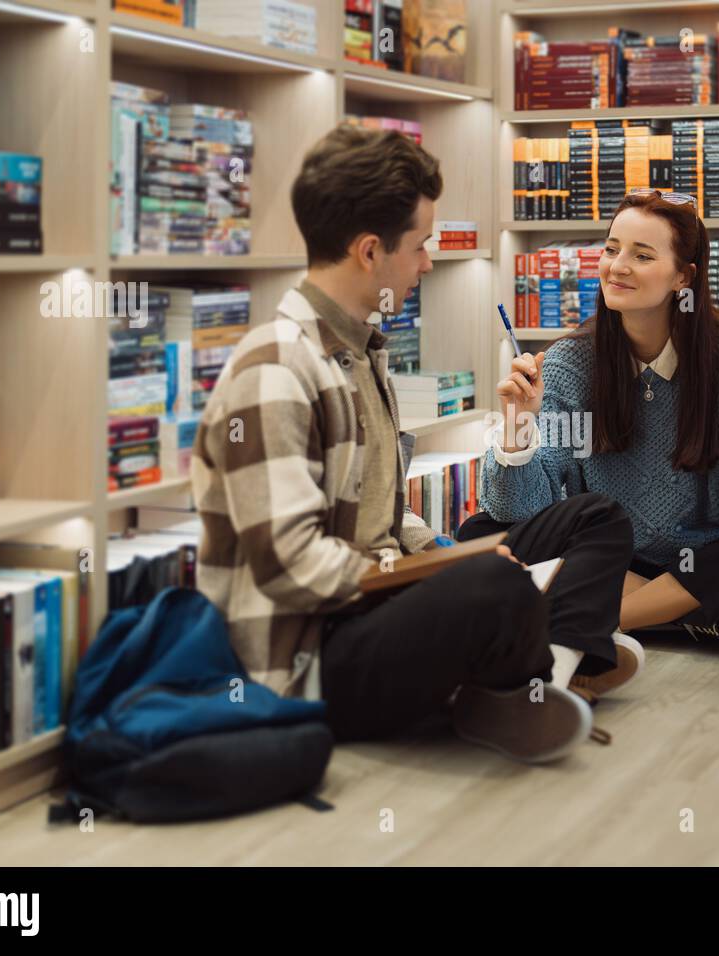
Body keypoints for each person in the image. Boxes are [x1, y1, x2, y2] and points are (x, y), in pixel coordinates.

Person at [191, 125, 636, 763]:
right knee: (489, 586)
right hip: (312, 660)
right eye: (421, 245)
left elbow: (384, 517)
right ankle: (536, 665)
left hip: (379, 602)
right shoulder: (275, 369)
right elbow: (290, 567)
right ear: (370, 250)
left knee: (595, 519)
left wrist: (443, 553)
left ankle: (544, 671)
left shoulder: (363, 350)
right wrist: (441, 575)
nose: (428, 262)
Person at [465, 189, 719, 694]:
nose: (617, 266)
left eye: (642, 254)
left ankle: (580, 620)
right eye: (612, 249)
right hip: (612, 557)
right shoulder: (570, 362)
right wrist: (516, 427)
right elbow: (524, 505)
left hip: (708, 550)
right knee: (481, 530)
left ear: (684, 277)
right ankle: (697, 619)